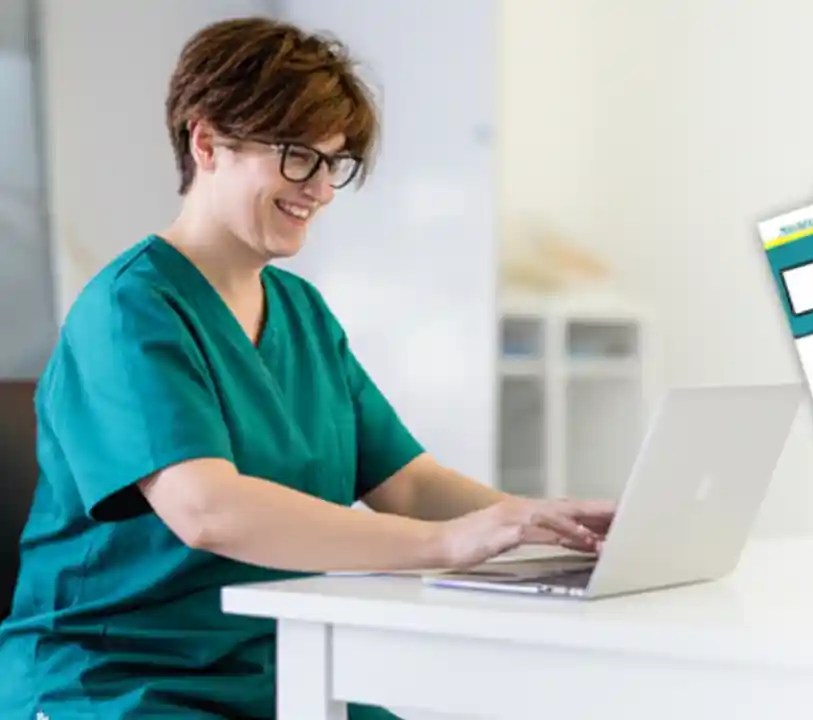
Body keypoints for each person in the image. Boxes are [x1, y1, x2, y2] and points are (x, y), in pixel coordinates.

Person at [0, 16, 614, 720]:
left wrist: (538, 524)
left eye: (335, 163)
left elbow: (408, 484)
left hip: (278, 670)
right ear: (207, 143)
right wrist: (449, 545)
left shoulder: (302, 313)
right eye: (298, 156)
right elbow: (207, 509)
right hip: (121, 681)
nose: (320, 189)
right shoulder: (129, 310)